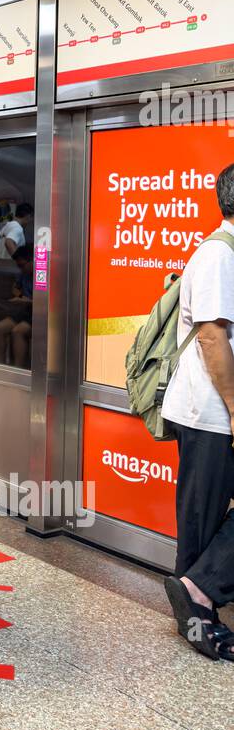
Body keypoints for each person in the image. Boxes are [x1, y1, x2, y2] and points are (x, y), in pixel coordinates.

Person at [161, 163, 234, 662]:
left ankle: (198, 599)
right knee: (201, 519)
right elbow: (212, 336)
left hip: (219, 411)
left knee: (203, 518)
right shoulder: (218, 254)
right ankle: (199, 615)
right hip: (211, 413)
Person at [0, 246, 33, 367]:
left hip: (37, 315)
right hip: (24, 311)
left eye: (22, 265)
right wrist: (20, 296)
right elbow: (15, 287)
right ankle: (1, 366)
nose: (21, 269)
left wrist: (29, 301)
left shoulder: (42, 275)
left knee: (17, 331)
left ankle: (18, 369)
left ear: (32, 261)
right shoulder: (23, 274)